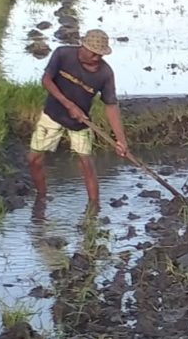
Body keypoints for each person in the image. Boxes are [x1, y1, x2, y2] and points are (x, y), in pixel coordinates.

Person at [27, 28, 129, 215]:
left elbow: (111, 106)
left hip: (80, 123)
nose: (96, 58)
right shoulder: (63, 54)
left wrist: (120, 140)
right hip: (53, 114)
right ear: (83, 46)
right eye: (93, 53)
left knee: (86, 164)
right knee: (34, 159)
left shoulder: (105, 74)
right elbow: (46, 80)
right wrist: (69, 105)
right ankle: (41, 199)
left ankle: (94, 209)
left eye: (100, 54)